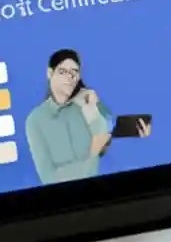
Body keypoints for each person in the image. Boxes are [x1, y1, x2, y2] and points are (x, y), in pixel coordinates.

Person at [25, 49, 151, 184]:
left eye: (75, 72)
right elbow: (49, 178)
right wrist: (93, 154)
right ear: (50, 73)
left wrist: (94, 110)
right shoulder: (35, 120)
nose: (69, 78)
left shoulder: (88, 103)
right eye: (63, 72)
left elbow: (107, 135)